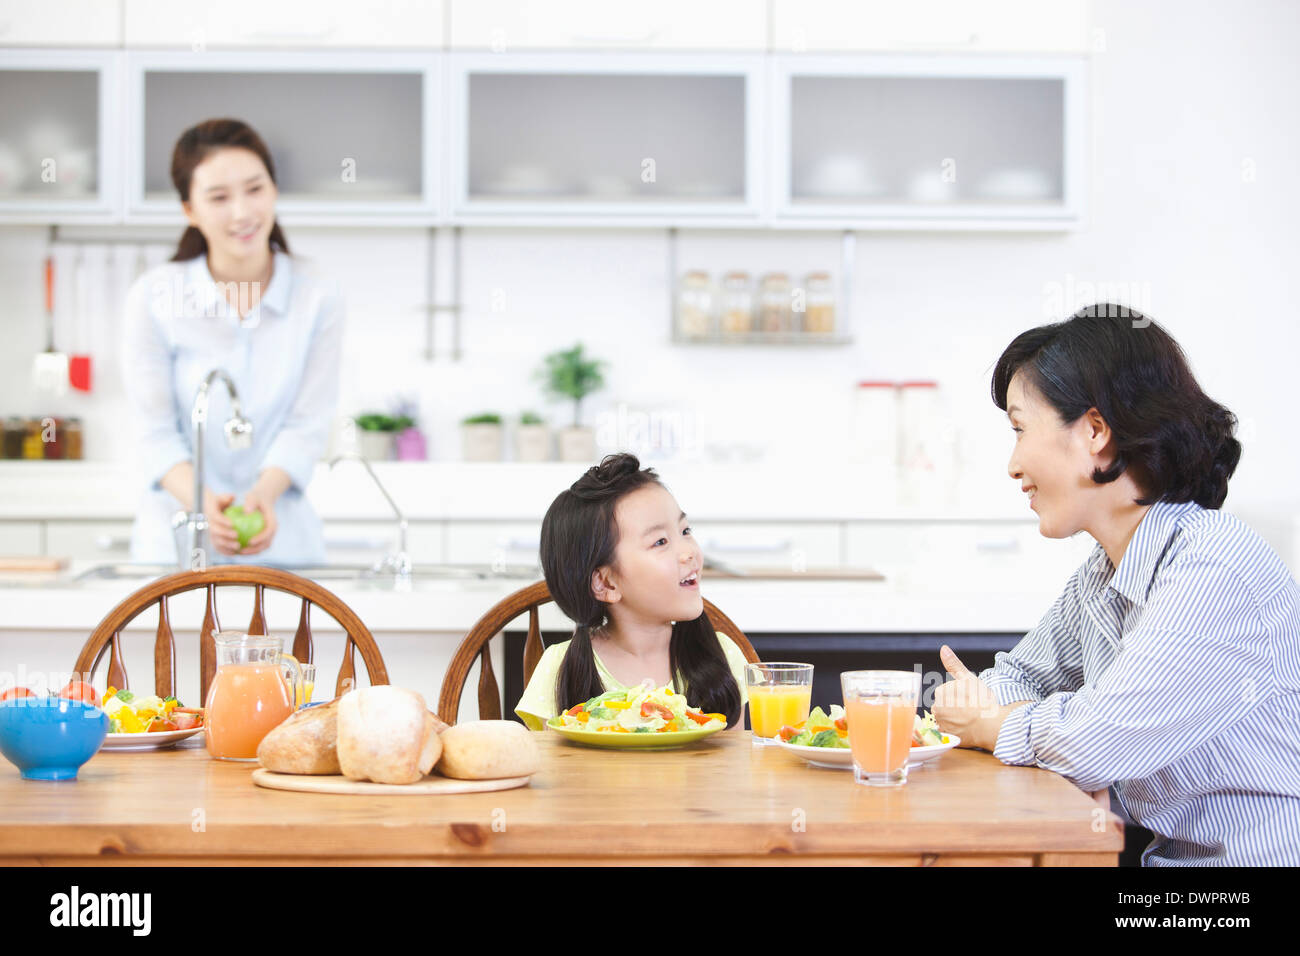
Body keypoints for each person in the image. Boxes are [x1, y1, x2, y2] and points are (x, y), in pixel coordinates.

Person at [933, 304, 1300, 866]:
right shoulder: (1104, 575)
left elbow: (1095, 740)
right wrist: (974, 710)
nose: (1012, 464)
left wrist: (988, 723)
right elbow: (1020, 678)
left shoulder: (1214, 568)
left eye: (1019, 429)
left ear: (1096, 432)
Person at [121, 118, 343, 566]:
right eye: (219, 198)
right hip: (176, 547)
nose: (242, 212)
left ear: (275, 191)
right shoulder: (155, 297)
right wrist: (202, 502)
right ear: (190, 210)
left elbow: (307, 425)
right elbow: (154, 433)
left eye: (255, 189)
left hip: (285, 548)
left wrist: (263, 493)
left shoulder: (317, 292)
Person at [515, 453, 748, 731]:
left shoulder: (721, 656)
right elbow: (552, 770)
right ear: (606, 584)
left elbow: (732, 767)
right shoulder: (559, 667)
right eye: (660, 541)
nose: (689, 552)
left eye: (685, 530)